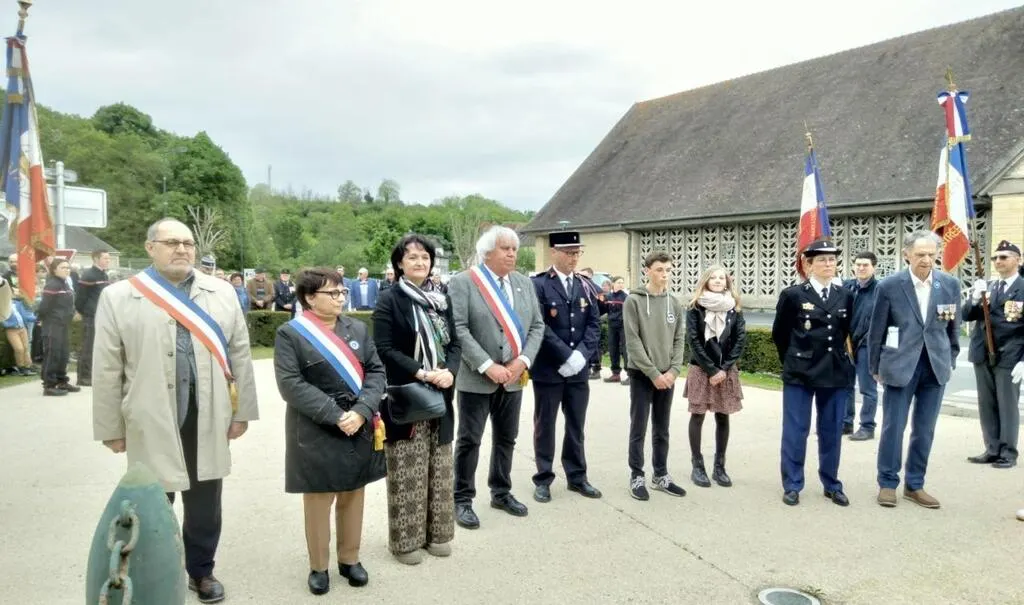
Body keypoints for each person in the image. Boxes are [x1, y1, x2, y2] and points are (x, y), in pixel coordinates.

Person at [92, 218, 259, 603]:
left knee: (205, 503)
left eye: (187, 243)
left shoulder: (221, 292)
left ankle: (201, 572)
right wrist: (110, 426)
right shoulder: (120, 296)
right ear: (150, 248)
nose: (181, 249)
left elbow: (240, 356)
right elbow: (106, 368)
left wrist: (242, 412)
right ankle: (149, 573)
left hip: (207, 415)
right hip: (150, 418)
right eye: (171, 242)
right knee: (151, 501)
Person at [275, 267, 386, 594]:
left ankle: (349, 559)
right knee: (319, 499)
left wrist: (362, 411)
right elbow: (290, 384)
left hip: (358, 424)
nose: (340, 298)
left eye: (342, 293)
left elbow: (376, 371)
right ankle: (319, 566)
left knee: (354, 494)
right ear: (310, 298)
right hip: (316, 427)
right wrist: (337, 415)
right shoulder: (290, 334)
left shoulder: (358, 328)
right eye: (332, 293)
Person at [373, 234, 461, 565]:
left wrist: (449, 371)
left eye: (425, 257)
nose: (420, 262)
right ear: (399, 263)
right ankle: (406, 541)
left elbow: (455, 343)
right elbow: (384, 349)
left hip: (441, 393)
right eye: (412, 257)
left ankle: (437, 534)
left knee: (439, 466)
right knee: (407, 469)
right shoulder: (389, 300)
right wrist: (423, 373)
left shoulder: (441, 300)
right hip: (407, 395)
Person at [450, 225, 545, 530]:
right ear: (487, 252)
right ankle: (462, 498)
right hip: (477, 378)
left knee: (507, 438)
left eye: (514, 248)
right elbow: (459, 329)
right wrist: (486, 365)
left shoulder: (522, 283)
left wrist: (523, 360)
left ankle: (500, 491)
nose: (512, 253)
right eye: (505, 248)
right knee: (470, 440)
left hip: (514, 376)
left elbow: (537, 327)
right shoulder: (463, 282)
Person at [867, 230, 960, 510]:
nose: (926, 259)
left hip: (935, 366)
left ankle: (915, 485)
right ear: (906, 254)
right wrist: (874, 366)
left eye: (932, 254)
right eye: (920, 254)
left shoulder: (949, 284)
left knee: (925, 429)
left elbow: (952, 329)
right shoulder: (889, 286)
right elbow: (876, 331)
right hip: (899, 366)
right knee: (893, 426)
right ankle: (887, 482)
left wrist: (950, 357)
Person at [771, 239, 855, 507]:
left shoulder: (845, 295)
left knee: (831, 430)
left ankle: (831, 483)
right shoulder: (794, 295)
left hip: (835, 372)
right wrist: (794, 361)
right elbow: (780, 335)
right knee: (796, 431)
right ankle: (793, 484)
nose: (828, 264)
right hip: (801, 372)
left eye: (832, 260)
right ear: (809, 264)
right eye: (822, 260)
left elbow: (848, 332)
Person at [530, 231, 603, 503]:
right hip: (550, 369)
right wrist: (565, 356)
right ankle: (543, 478)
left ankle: (577, 476)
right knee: (545, 425)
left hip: (578, 370)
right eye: (569, 252)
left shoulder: (585, 284)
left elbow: (594, 324)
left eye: (577, 253)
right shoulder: (538, 285)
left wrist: (581, 356)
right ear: (554, 253)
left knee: (576, 424)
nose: (574, 258)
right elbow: (539, 325)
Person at [624, 251, 688, 500]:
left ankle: (660, 475)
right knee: (639, 426)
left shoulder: (674, 302)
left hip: (667, 375)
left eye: (668, 270)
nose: (665, 274)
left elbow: (679, 338)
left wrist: (673, 370)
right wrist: (652, 373)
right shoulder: (634, 301)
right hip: (642, 373)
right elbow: (633, 341)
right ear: (647, 271)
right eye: (660, 269)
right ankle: (636, 475)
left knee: (662, 428)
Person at [683, 264, 746, 488]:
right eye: (714, 278)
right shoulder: (695, 307)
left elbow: (740, 339)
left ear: (727, 282)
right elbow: (694, 340)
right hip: (701, 369)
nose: (718, 281)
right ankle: (697, 465)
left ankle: (720, 467)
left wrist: (725, 368)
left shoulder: (734, 308)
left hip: (726, 369)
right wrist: (711, 369)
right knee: (698, 415)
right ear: (706, 281)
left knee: (723, 415)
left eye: (722, 278)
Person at [963, 240, 1024, 469]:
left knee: (1007, 404)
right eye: (995, 258)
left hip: (1010, 353)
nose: (998, 261)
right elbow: (967, 315)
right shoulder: (988, 286)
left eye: (1004, 257)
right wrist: (976, 298)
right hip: (982, 352)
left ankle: (1008, 452)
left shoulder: (1023, 287)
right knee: (986, 403)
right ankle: (992, 448)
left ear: (1018, 260)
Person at [843, 251, 880, 441]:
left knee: (868, 388)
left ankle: (867, 426)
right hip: (847, 343)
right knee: (846, 385)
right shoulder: (847, 286)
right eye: (858, 264)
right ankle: (846, 423)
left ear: (874, 267)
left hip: (867, 344)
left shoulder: (880, 289)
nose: (861, 268)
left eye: (865, 265)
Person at [37, 258, 78, 396]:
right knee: (53, 354)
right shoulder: (53, 285)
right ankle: (49, 385)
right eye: (63, 267)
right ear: (54, 270)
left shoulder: (65, 283)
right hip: (53, 324)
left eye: (68, 267)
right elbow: (44, 307)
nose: (67, 270)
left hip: (63, 324)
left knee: (63, 354)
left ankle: (61, 380)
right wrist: (43, 320)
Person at [74, 249, 111, 387]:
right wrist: (83, 311)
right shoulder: (89, 275)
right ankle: (83, 377)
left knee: (97, 346)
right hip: (91, 315)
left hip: (101, 314)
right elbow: (80, 297)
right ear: (96, 259)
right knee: (87, 346)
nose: (108, 261)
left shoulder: (103, 274)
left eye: (109, 258)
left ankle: (93, 374)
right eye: (105, 258)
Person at [2, 287, 36, 376]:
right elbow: (2, 319)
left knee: (26, 348)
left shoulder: (17, 303)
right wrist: (8, 324)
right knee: (19, 349)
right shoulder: (2, 305)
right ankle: (20, 367)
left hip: (22, 328)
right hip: (12, 330)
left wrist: (37, 319)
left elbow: (24, 315)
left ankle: (27, 367)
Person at [603, 276, 630, 385]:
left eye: (622, 283)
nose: (621, 285)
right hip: (612, 326)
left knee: (625, 350)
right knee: (613, 349)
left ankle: (630, 375)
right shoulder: (608, 296)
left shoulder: (626, 297)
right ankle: (615, 374)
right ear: (613, 284)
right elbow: (604, 310)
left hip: (623, 326)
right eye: (619, 282)